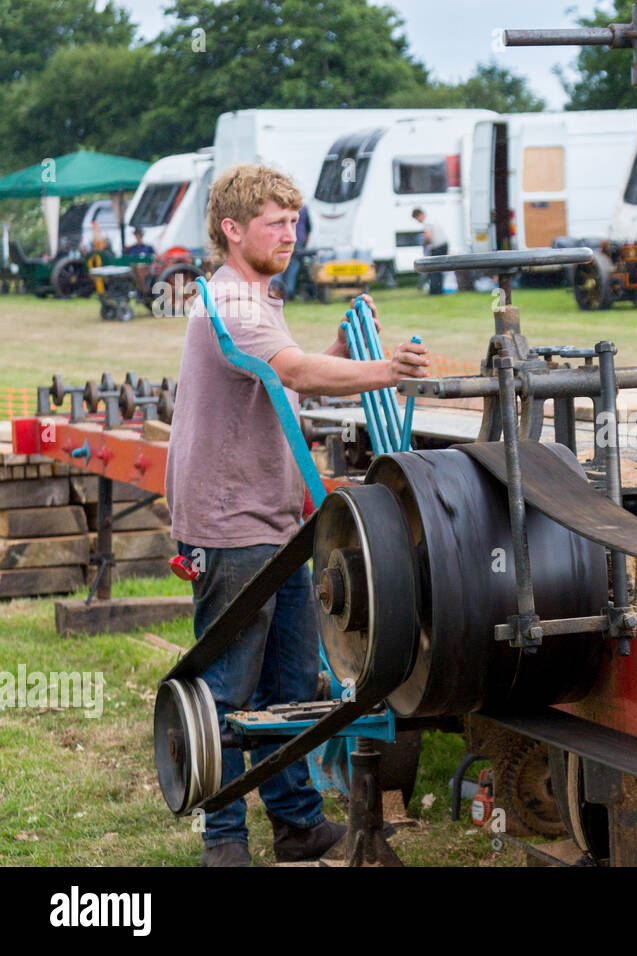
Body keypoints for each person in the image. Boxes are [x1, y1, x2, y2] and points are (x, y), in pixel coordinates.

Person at [165, 164, 430, 867]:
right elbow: (297, 374)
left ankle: (297, 825)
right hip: (233, 522)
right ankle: (222, 838)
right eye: (274, 224)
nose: (290, 234)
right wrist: (385, 371)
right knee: (230, 686)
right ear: (232, 229)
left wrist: (344, 351)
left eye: (293, 221)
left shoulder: (258, 297)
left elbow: (291, 367)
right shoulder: (235, 299)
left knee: (288, 687)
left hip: (276, 519)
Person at [412, 208, 448, 294]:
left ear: (419, 215)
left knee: (434, 270)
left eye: (417, 219)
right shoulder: (432, 220)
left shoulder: (427, 223)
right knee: (439, 270)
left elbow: (428, 236)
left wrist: (425, 244)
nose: (418, 221)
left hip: (438, 247)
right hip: (443, 245)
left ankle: (435, 291)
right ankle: (438, 290)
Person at [283, 202, 311, 299]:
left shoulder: (282, 207)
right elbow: (309, 228)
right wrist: (304, 243)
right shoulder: (303, 208)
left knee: (280, 266)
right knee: (293, 267)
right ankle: (289, 291)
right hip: (298, 240)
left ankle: (277, 290)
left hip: (284, 239)